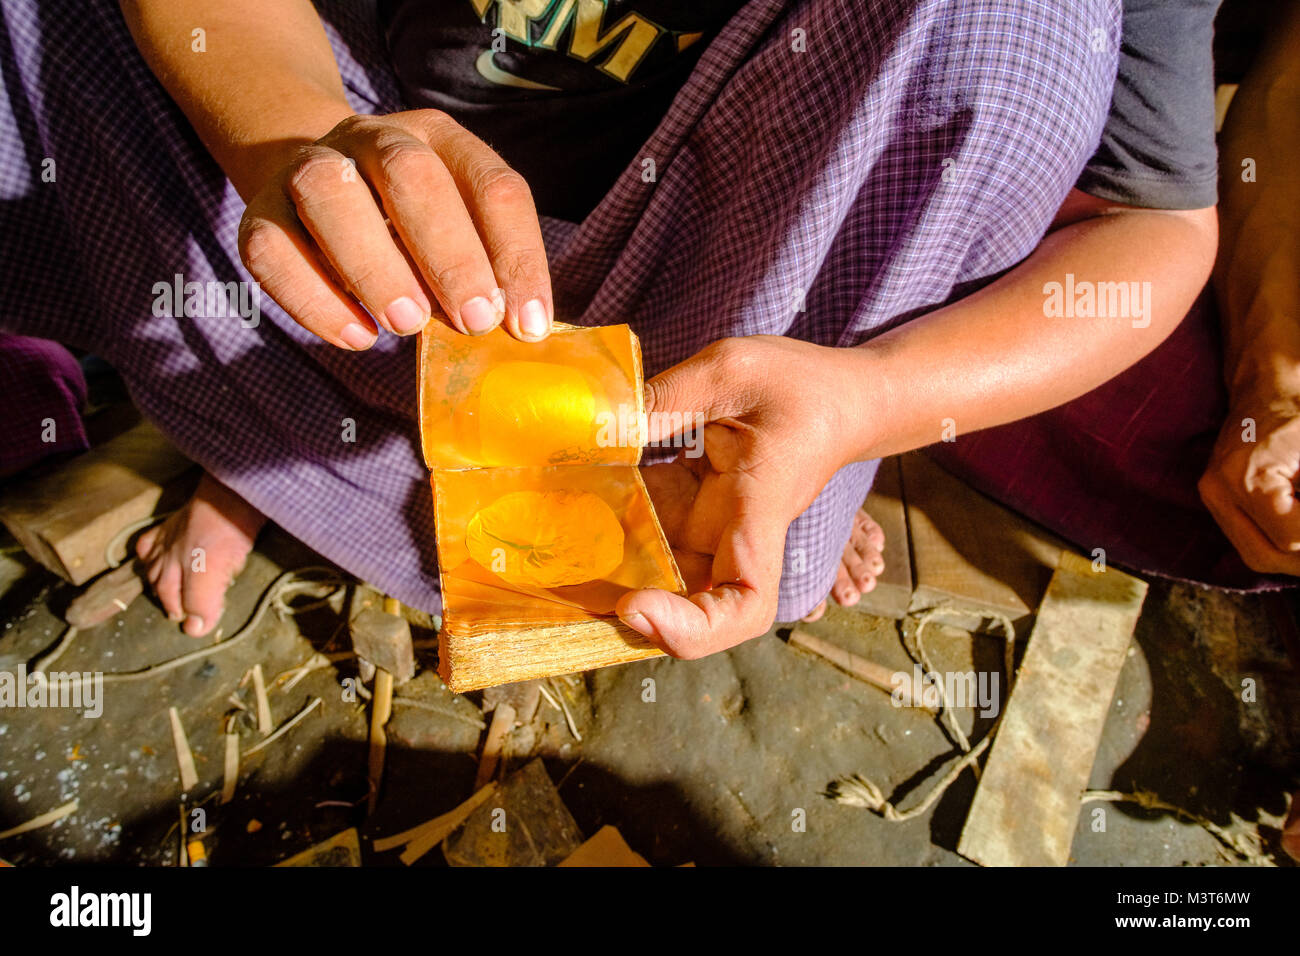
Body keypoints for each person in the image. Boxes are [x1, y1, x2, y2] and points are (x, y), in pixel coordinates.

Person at [2, 0, 1214, 658]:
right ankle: (274, 422)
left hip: (740, 285)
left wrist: (877, 398)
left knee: (1020, 24)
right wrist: (282, 128)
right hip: (369, 174)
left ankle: (785, 447)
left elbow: (1156, 228)